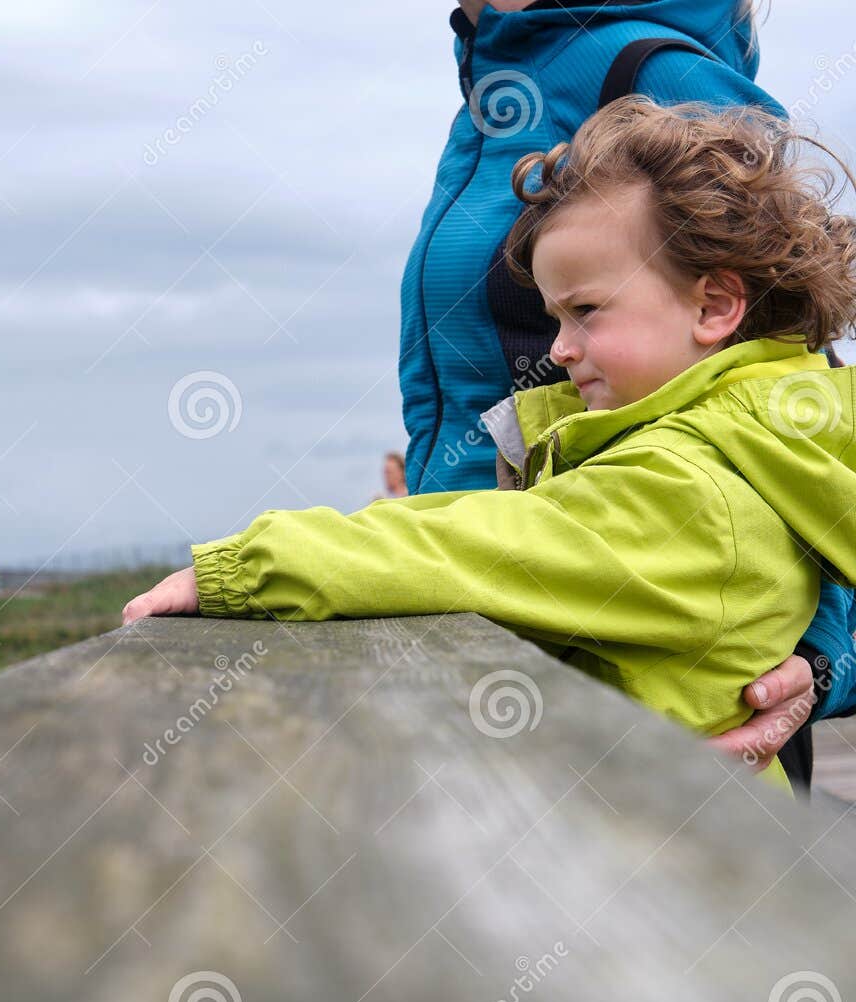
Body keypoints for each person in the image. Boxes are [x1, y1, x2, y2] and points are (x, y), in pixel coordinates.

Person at [123, 98, 856, 792]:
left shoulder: (689, 489)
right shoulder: (745, 444)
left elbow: (474, 544)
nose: (561, 349)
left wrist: (251, 567)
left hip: (662, 873)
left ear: (717, 304)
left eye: (587, 311)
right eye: (554, 317)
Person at [397, 0, 856, 778]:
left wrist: (826, 654)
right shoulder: (486, 102)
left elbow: (796, 348)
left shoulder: (653, 72)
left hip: (652, 673)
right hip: (489, 621)